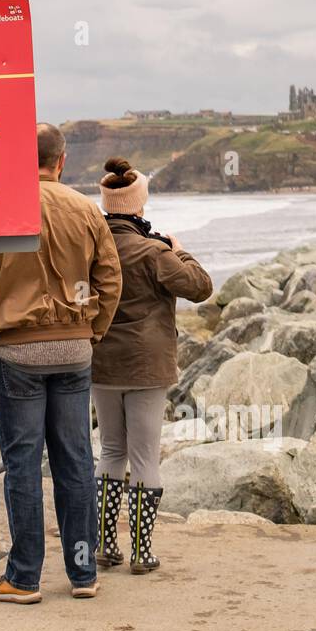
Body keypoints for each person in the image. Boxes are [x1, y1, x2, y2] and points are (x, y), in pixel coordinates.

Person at [0, 124, 122, 602]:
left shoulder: (2, 209)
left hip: (17, 350)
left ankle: (23, 577)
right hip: (75, 348)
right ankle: (83, 573)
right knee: (76, 460)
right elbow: (110, 278)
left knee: (22, 465)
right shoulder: (85, 210)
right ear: (61, 162)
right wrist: (91, 329)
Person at [91, 157, 212, 575]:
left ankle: (106, 545)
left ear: (107, 204)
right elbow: (201, 287)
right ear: (139, 204)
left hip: (102, 363)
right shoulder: (154, 250)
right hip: (146, 366)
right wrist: (181, 250)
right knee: (144, 457)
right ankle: (142, 552)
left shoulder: (94, 246)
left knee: (110, 450)